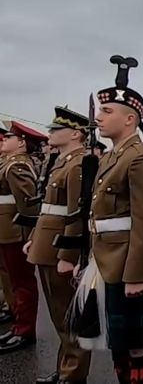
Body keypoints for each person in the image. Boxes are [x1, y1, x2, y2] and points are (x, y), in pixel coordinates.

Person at [91, 74, 143, 383]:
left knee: (138, 347)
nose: (98, 116)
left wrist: (137, 273)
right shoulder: (112, 157)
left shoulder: (139, 159)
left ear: (129, 119)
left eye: (107, 111)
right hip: (110, 261)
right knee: (120, 344)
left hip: (128, 264)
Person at [25, 106, 92, 384]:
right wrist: (33, 239)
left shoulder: (78, 165)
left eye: (57, 129)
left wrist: (70, 254)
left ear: (76, 134)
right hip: (47, 244)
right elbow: (49, 209)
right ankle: (64, 367)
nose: (51, 132)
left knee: (68, 316)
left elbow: (77, 214)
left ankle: (73, 374)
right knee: (58, 317)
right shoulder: (63, 161)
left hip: (59, 248)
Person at [0, 122, 44, 354]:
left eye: (9, 138)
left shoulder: (17, 167)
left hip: (15, 232)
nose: (4, 140)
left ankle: (25, 329)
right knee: (11, 282)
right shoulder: (7, 164)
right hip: (5, 230)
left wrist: (29, 237)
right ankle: (18, 323)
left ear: (21, 143)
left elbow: (27, 206)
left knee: (22, 282)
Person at [0, 126, 15, 324]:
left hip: (10, 227)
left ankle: (17, 313)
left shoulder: (15, 165)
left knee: (13, 275)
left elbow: (25, 203)